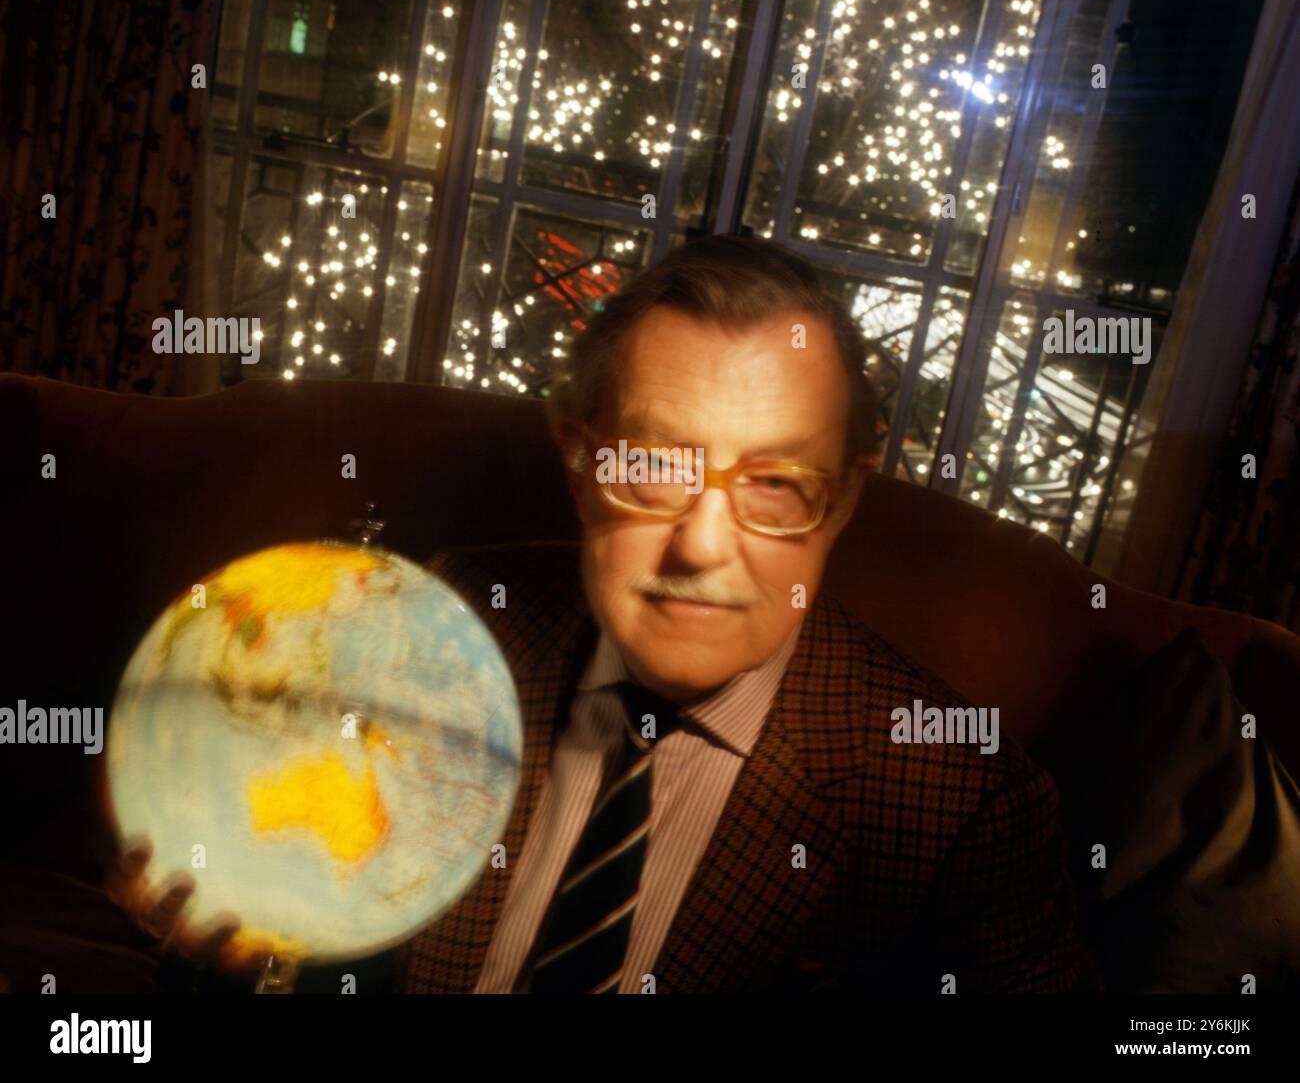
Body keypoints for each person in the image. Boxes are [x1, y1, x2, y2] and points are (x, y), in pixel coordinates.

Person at [108, 234, 1099, 993]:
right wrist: (234, 944)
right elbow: (313, 895)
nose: (703, 547)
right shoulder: (439, 625)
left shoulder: (964, 807)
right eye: (652, 467)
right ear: (581, 460)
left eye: (777, 484)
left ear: (839, 501)